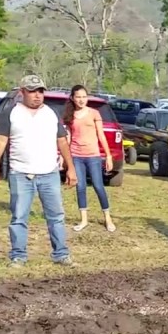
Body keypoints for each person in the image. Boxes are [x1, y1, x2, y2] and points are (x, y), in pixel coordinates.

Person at [0, 74, 76, 267]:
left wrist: (71, 168)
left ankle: (60, 254)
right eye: (32, 91)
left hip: (49, 173)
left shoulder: (51, 114)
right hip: (20, 174)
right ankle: (18, 256)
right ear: (22, 92)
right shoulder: (10, 113)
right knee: (19, 217)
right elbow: (1, 141)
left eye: (40, 91)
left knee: (56, 216)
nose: (37, 95)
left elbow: (61, 141)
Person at [64, 85, 114, 232]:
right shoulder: (69, 115)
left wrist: (109, 156)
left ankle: (108, 218)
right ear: (73, 98)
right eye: (78, 97)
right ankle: (83, 219)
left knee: (98, 186)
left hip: (93, 155)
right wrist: (64, 157)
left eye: (84, 97)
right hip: (76, 155)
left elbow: (101, 135)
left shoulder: (94, 113)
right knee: (80, 187)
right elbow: (68, 137)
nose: (81, 100)